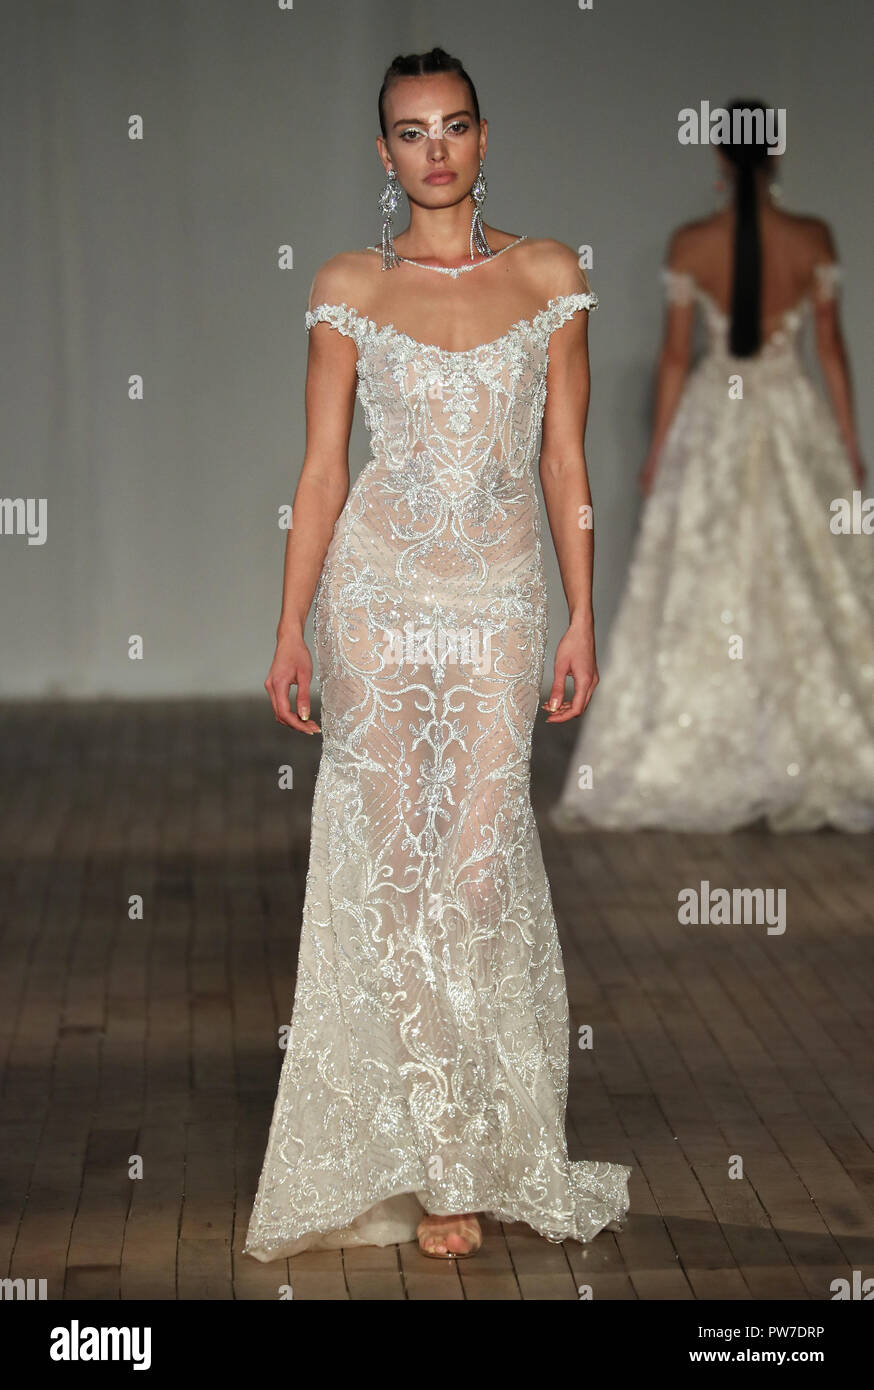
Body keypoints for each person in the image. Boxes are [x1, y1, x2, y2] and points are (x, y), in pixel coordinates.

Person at [243, 47, 630, 1263]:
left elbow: (565, 463)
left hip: (503, 600)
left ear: (483, 136)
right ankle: (438, 1161)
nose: (436, 149)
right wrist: (290, 622)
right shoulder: (349, 282)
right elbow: (322, 470)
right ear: (384, 153)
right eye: (411, 132)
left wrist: (580, 613)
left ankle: (469, 1142)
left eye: (454, 125)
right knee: (392, 871)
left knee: (474, 868)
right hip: (375, 597)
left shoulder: (550, 273)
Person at [552, 99, 874, 835]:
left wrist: (662, 448)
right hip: (793, 414)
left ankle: (706, 752)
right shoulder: (813, 237)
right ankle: (811, 747)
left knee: (709, 578)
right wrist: (850, 444)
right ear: (777, 154)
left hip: (716, 421)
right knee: (808, 576)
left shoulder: (692, 243)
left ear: (721, 159)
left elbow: (674, 357)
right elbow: (830, 350)